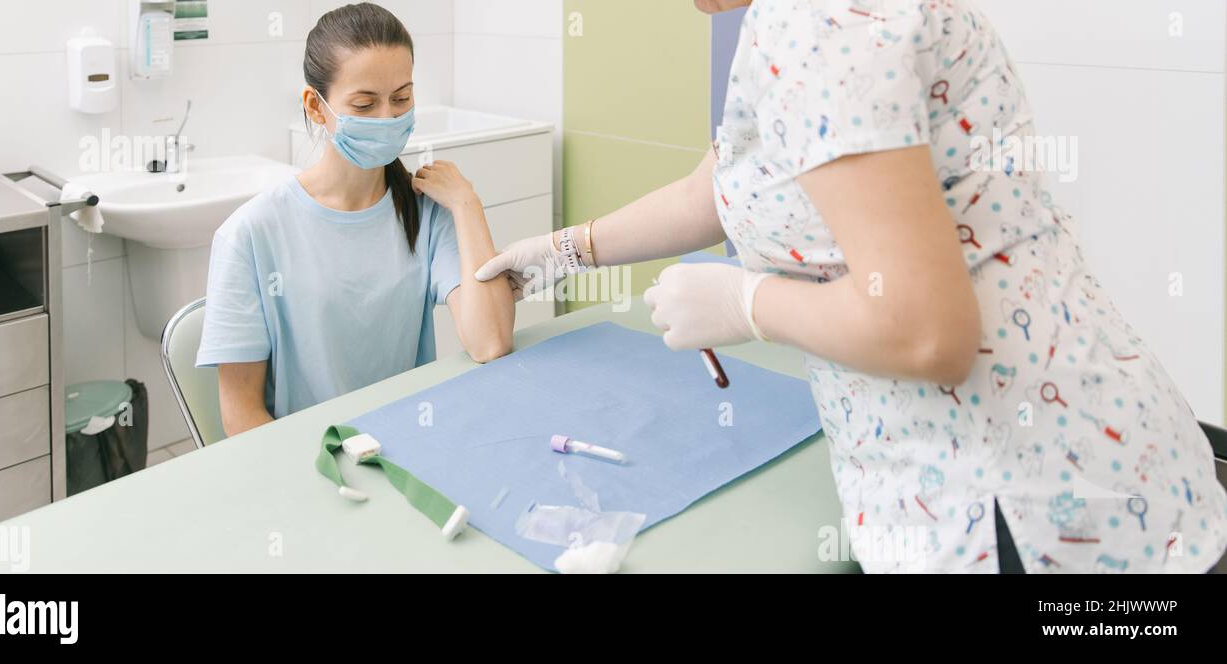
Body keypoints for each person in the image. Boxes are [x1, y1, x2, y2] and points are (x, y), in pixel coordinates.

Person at [475, 0, 1227, 572]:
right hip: (1100, 461)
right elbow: (723, 186)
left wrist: (746, 303)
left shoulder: (814, 24)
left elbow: (925, 331)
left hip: (1023, 514)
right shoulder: (792, 20)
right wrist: (565, 250)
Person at [196, 2, 515, 435]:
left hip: (408, 443)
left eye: (401, 98)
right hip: (306, 458)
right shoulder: (250, 233)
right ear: (316, 106)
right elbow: (241, 417)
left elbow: (490, 342)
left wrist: (466, 204)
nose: (388, 118)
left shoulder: (425, 211)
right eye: (365, 105)